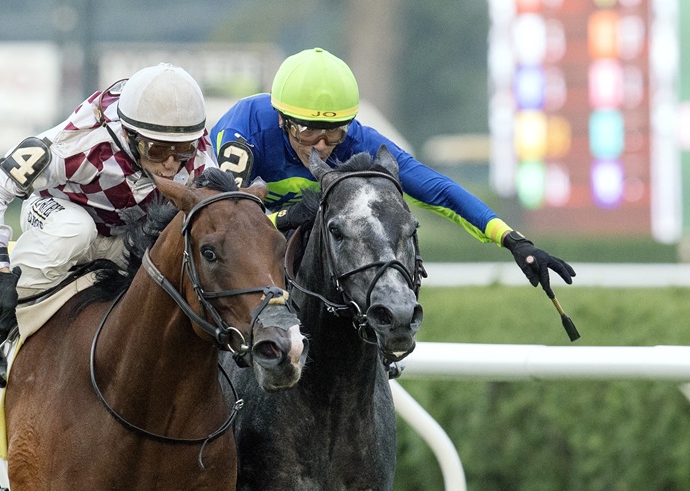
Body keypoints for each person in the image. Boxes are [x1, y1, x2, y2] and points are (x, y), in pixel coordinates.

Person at [211, 47, 576, 306]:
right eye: (308, 130)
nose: (321, 145)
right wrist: (284, 219)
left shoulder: (359, 141)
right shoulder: (246, 129)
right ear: (281, 118)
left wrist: (512, 239)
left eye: (334, 131)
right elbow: (224, 223)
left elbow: (439, 191)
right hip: (231, 247)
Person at [0, 62, 217, 384]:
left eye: (182, 150)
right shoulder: (78, 142)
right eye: (156, 149)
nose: (171, 163)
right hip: (56, 213)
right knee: (76, 230)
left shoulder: (199, 153)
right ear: (129, 133)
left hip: (126, 239)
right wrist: (0, 266)